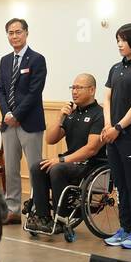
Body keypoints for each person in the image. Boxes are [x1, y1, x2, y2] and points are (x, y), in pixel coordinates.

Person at [98, 22, 131, 250]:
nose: (120, 44)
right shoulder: (115, 68)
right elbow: (107, 98)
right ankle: (125, 227)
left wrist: (119, 127)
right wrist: (108, 125)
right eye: (118, 40)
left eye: (124, 40)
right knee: (119, 184)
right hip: (113, 135)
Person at [26, 73, 104, 227]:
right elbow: (50, 139)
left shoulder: (99, 114)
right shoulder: (71, 114)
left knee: (57, 169)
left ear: (92, 90)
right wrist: (60, 116)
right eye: (73, 87)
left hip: (90, 164)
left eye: (79, 88)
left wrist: (61, 160)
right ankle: (43, 217)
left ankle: (61, 217)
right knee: (37, 166)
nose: (74, 91)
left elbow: (91, 149)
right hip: (71, 162)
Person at [0, 18, 47, 223]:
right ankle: (13, 210)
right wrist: (8, 113)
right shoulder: (5, 60)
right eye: (10, 32)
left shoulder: (37, 59)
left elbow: (35, 92)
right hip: (8, 124)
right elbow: (0, 90)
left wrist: (17, 115)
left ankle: (37, 210)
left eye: (18, 32)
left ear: (26, 33)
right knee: (11, 168)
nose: (14, 36)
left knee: (35, 169)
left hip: (30, 123)